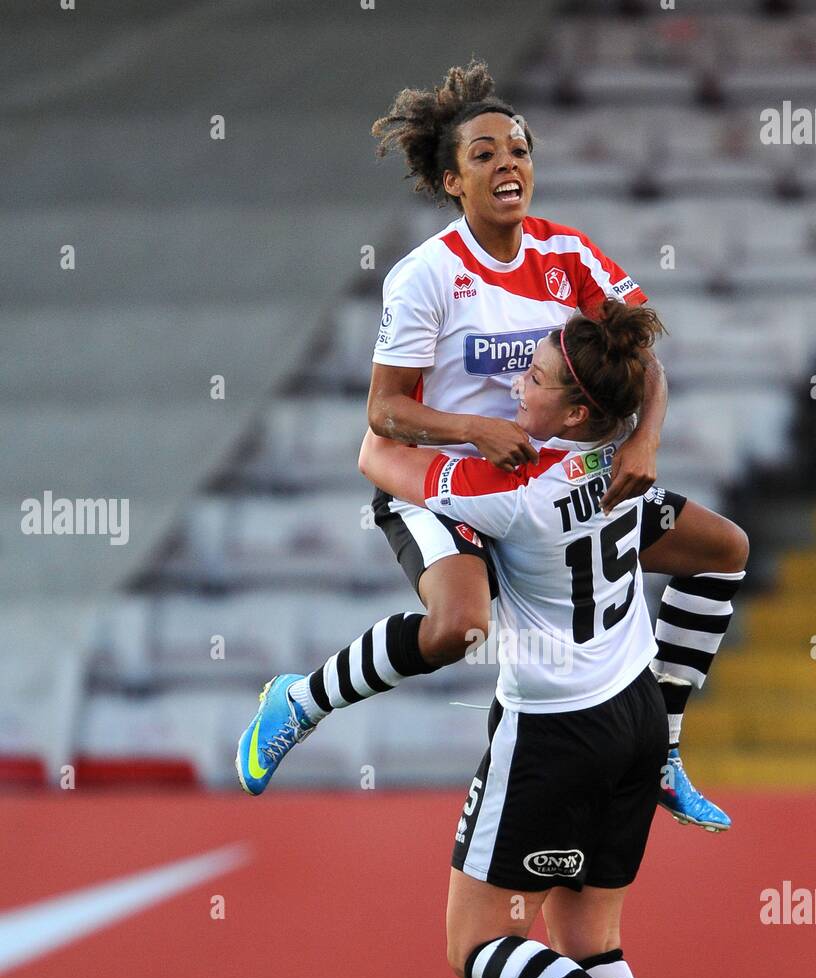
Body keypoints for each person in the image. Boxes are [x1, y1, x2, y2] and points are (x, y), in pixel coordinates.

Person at [236, 61, 747, 831]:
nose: (509, 162)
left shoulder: (568, 254)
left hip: (545, 482)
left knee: (724, 548)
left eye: (519, 148)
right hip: (441, 479)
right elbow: (384, 413)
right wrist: (474, 429)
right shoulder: (424, 278)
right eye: (485, 153)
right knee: (456, 629)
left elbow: (646, 357)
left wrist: (645, 440)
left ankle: (664, 747)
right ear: (451, 180)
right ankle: (299, 700)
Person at [358, 299, 709, 978]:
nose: (517, 382)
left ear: (578, 411)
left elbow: (381, 458)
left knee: (474, 949)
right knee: (589, 943)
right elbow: (723, 550)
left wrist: (430, 422)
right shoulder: (625, 471)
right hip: (636, 715)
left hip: (555, 729)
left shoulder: (512, 490)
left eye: (538, 377)